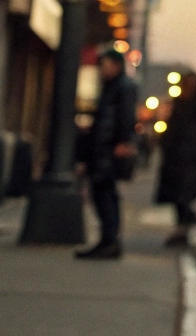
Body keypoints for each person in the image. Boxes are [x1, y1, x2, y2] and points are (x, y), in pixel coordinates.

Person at [77, 48, 137, 259]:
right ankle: (108, 240)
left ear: (116, 65)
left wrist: (122, 141)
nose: (101, 69)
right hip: (104, 147)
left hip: (108, 149)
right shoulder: (114, 86)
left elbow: (124, 117)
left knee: (104, 193)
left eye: (105, 65)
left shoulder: (122, 87)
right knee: (102, 193)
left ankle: (109, 240)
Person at [155, 72, 196, 247]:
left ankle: (185, 225)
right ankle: (184, 226)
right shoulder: (180, 105)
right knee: (178, 196)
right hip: (177, 158)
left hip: (193, 159)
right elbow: (172, 130)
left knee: (184, 195)